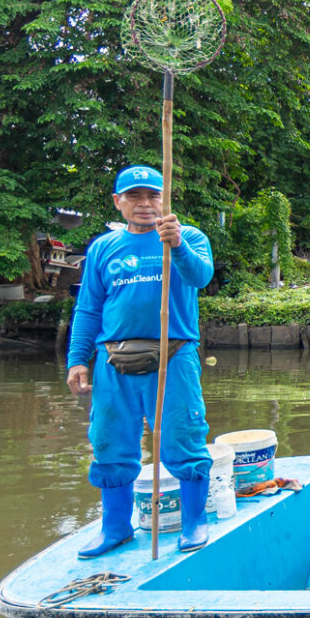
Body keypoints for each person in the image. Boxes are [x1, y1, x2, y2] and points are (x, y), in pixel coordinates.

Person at [65, 165, 217, 557]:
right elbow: (88, 309)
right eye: (134, 196)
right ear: (118, 202)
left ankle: (193, 522)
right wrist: (77, 359)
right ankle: (116, 528)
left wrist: (177, 244)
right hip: (112, 361)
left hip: (174, 355)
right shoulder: (103, 247)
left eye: (153, 195)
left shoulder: (190, 237)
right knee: (109, 443)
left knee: (183, 439)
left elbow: (201, 277)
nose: (145, 204)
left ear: (165, 199)